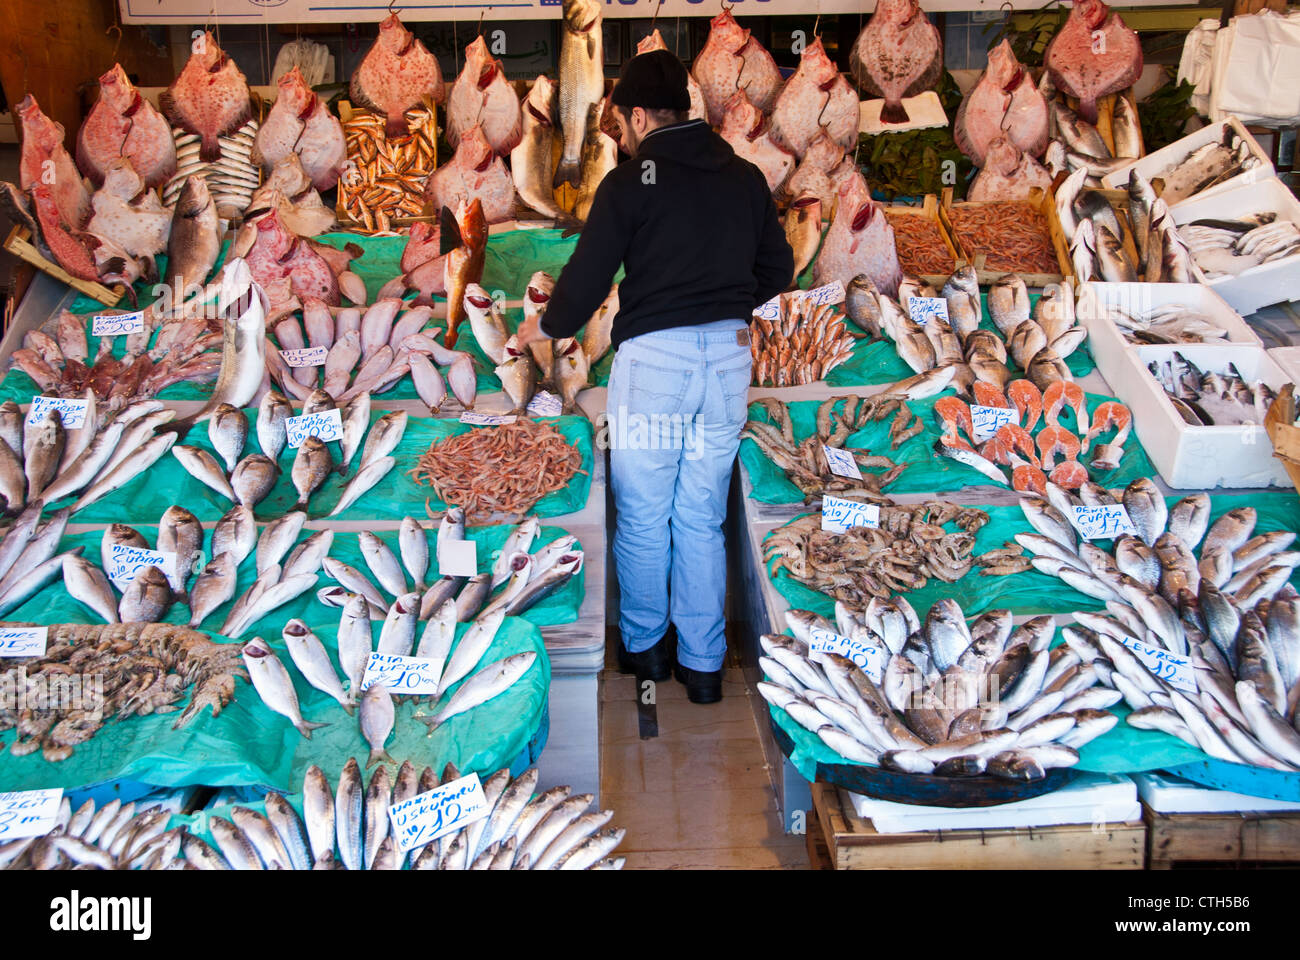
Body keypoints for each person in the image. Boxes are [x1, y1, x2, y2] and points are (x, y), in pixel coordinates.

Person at [516, 49, 793, 704]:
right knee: (700, 516)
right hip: (727, 359)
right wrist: (723, 299)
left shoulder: (632, 179)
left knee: (644, 515)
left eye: (624, 121)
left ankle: (647, 655)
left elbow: (587, 276)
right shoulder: (745, 176)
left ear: (637, 115)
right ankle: (703, 668)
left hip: (656, 363)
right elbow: (777, 271)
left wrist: (547, 328)